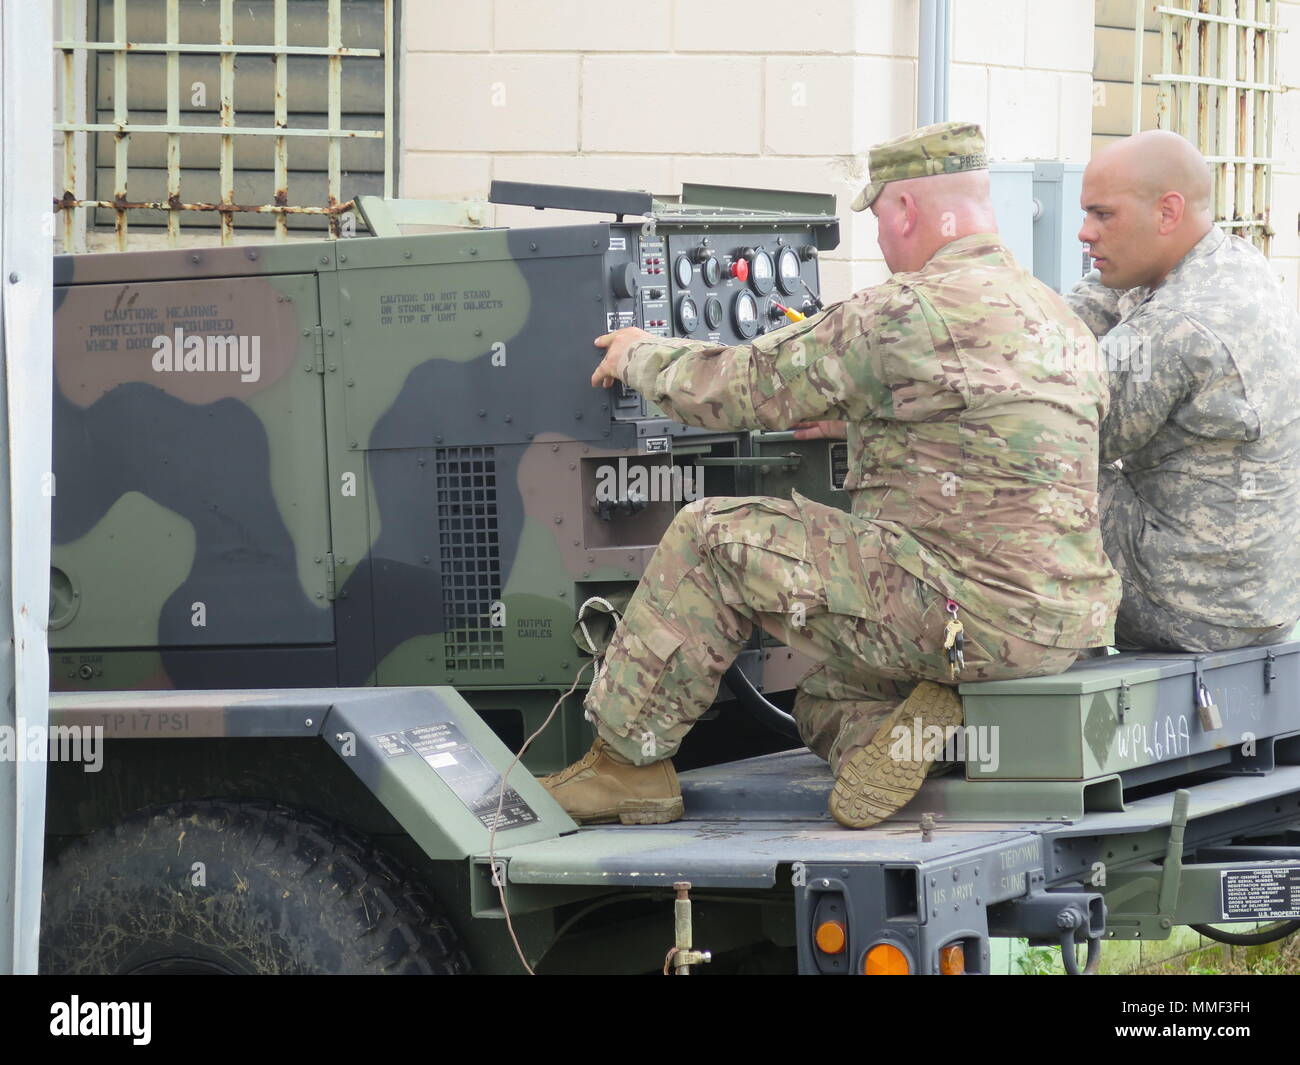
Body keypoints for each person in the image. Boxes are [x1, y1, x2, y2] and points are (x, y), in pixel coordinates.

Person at [540, 121, 1119, 829]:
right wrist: (861, 422)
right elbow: (1000, 432)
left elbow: (740, 385)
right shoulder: (1058, 314)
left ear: (905, 209)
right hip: (1059, 621)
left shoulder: (905, 311)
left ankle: (627, 765)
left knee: (710, 539)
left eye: (878, 219)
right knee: (822, 694)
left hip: (962, 612)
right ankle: (906, 740)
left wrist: (638, 353)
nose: (879, 240)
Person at [1068, 130, 1300, 653]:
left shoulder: (1172, 326)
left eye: (1104, 215)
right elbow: (1086, 310)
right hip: (1262, 599)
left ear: (1167, 213)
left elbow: (1063, 431)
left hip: (1183, 609)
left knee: (1022, 453)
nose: (1085, 233)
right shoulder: (1237, 264)